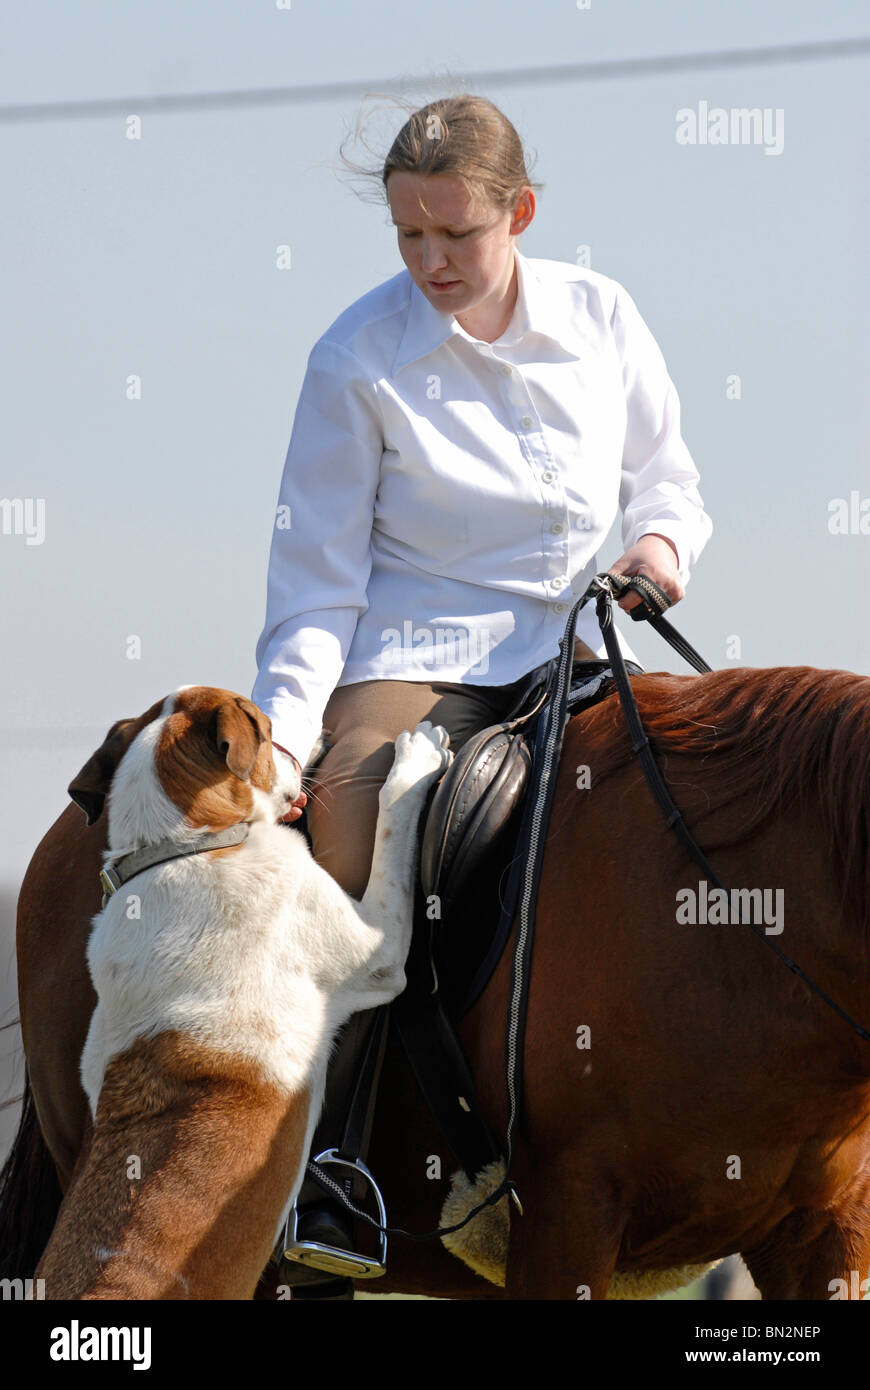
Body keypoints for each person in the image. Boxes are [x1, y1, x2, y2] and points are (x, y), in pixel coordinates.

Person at [251, 93, 712, 1288]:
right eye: (410, 237)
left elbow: (670, 487)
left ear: (523, 212)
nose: (432, 263)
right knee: (361, 821)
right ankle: (328, 1169)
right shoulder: (356, 357)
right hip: (416, 649)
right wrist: (290, 746)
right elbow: (313, 588)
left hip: (580, 643)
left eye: (456, 234)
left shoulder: (605, 313)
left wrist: (657, 558)